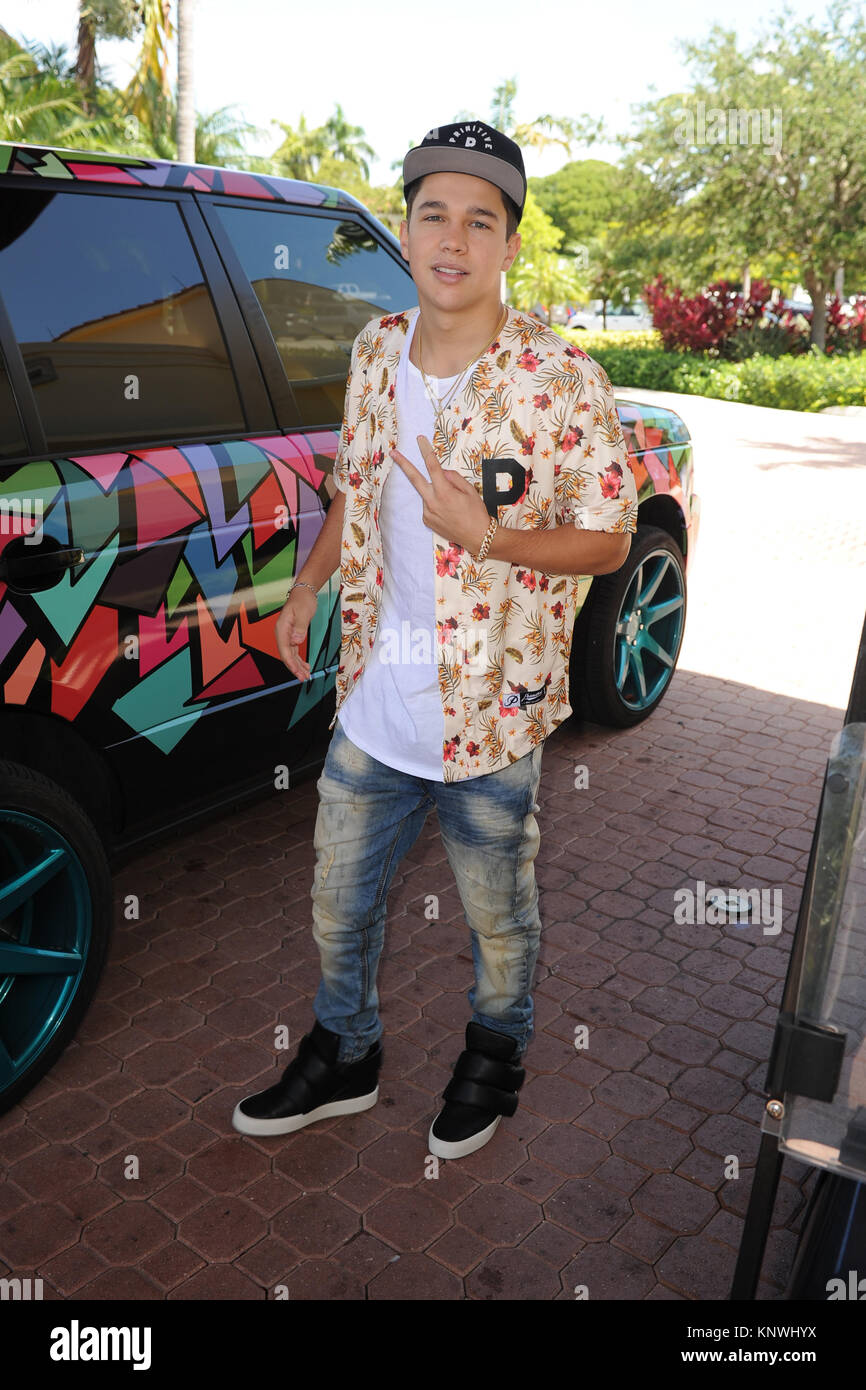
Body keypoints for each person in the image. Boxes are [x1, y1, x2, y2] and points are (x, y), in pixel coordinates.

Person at [232, 121, 638, 1159]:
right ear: (405, 230)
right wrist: (309, 587)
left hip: (492, 715)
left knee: (497, 922)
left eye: (479, 219)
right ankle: (344, 1053)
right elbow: (352, 490)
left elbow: (606, 540)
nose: (451, 238)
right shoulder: (374, 350)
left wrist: (486, 533)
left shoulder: (559, 379)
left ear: (507, 244)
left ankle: (492, 1058)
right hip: (375, 699)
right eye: (431, 214)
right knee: (337, 908)